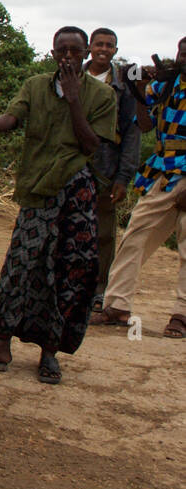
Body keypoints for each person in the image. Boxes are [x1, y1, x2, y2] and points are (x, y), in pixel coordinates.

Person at [0, 27, 117, 383]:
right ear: (53, 53)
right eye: (63, 51)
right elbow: (13, 118)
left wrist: (74, 99)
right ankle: (0, 345)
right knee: (21, 265)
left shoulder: (102, 95)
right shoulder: (35, 85)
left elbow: (91, 146)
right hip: (38, 189)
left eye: (76, 51)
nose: (69, 57)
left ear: (86, 52)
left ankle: (50, 352)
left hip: (76, 192)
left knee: (68, 271)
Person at [90, 36, 186, 338]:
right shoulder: (169, 84)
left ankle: (182, 314)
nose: (184, 57)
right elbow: (143, 124)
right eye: (182, 52)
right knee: (135, 235)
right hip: (163, 169)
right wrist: (138, 87)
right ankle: (117, 305)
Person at [82, 27, 142, 308]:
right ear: (90, 48)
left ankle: (99, 289)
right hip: (71, 162)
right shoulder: (72, 77)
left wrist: (123, 177)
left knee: (103, 232)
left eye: (109, 45)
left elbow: (132, 132)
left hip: (106, 166)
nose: (103, 50)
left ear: (115, 50)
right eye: (99, 44)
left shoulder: (123, 85)